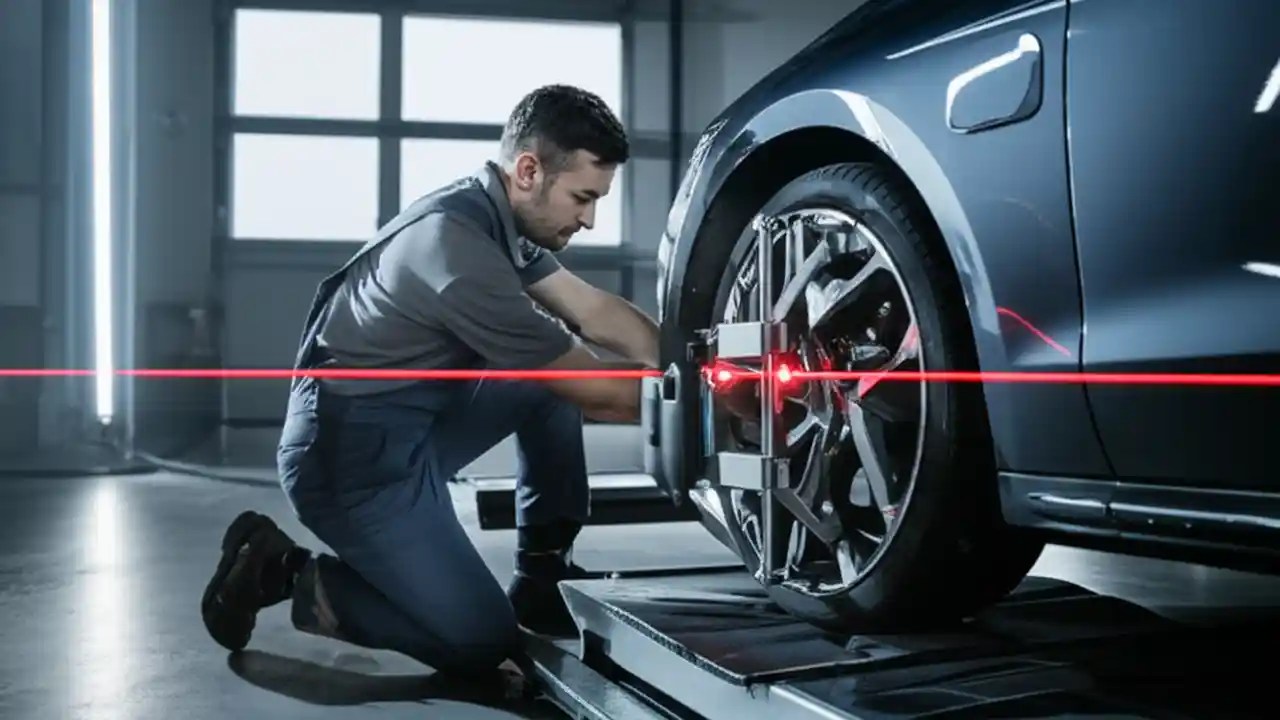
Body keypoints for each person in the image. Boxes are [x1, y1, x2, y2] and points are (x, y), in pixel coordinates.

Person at [200, 84, 660, 679]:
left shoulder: (493, 215)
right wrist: (712, 405)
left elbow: (593, 311)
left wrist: (695, 362)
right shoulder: (454, 247)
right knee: (480, 641)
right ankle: (282, 571)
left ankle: (541, 578)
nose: (589, 219)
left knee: (540, 384)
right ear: (528, 171)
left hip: (412, 428)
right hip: (350, 469)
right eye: (583, 197)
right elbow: (598, 391)